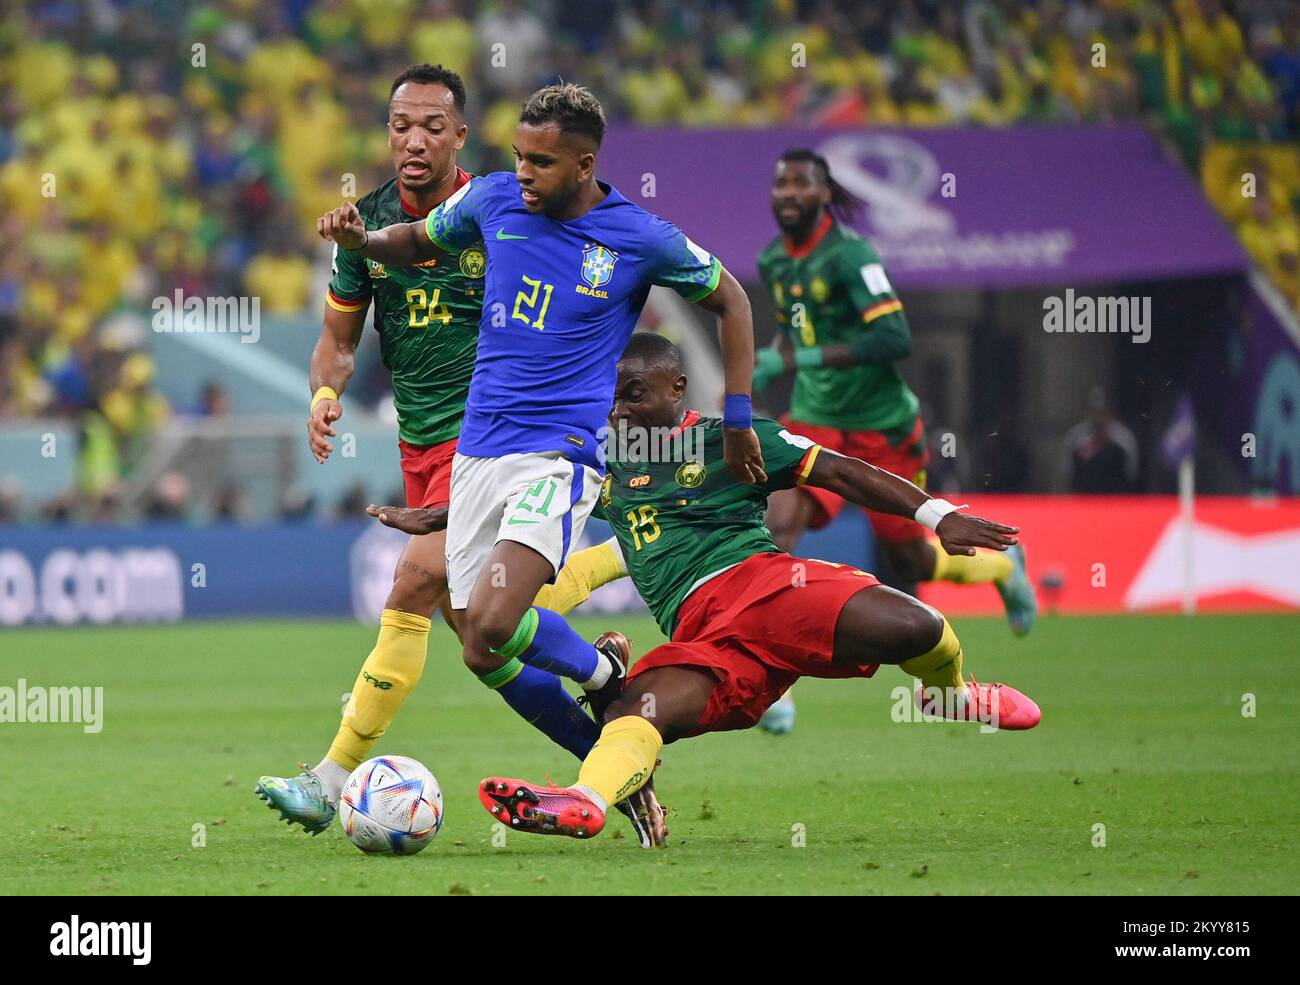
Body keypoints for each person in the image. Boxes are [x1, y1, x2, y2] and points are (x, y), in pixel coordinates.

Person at [312, 83, 764, 842]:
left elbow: (734, 301)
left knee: (493, 614)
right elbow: (416, 242)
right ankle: (610, 677)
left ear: (585, 164)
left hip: (558, 458)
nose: (523, 172)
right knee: (482, 646)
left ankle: (608, 688)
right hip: (477, 456)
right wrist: (360, 243)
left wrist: (743, 419)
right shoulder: (493, 202)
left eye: (541, 162)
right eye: (519, 155)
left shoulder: (638, 235)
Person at [371, 335, 1041, 841]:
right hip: (705, 634)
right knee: (636, 710)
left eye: (636, 393)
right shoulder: (599, 467)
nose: (620, 409)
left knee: (916, 627)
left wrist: (937, 514)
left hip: (767, 586)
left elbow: (836, 470)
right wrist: (434, 515)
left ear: (677, 388)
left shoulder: (731, 440)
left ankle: (952, 693)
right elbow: (511, 497)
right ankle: (584, 802)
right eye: (611, 395)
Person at [255, 68, 632, 842]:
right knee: (482, 646)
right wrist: (325, 397)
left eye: (432, 126)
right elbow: (337, 338)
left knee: (415, 575)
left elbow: (581, 272)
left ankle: (327, 780)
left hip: (500, 433)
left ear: (460, 136)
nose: (413, 140)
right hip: (424, 444)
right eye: (400, 125)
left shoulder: (501, 207)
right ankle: (615, 762)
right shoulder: (365, 227)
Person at [753, 149, 1037, 734]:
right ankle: (767, 682)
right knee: (777, 527)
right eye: (780, 183)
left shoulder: (852, 256)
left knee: (909, 558)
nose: (787, 192)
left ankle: (1002, 571)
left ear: (825, 193)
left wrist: (804, 354)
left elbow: (894, 336)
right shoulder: (775, 261)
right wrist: (780, 353)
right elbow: (800, 322)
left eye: (801, 183)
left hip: (882, 428)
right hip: (814, 421)